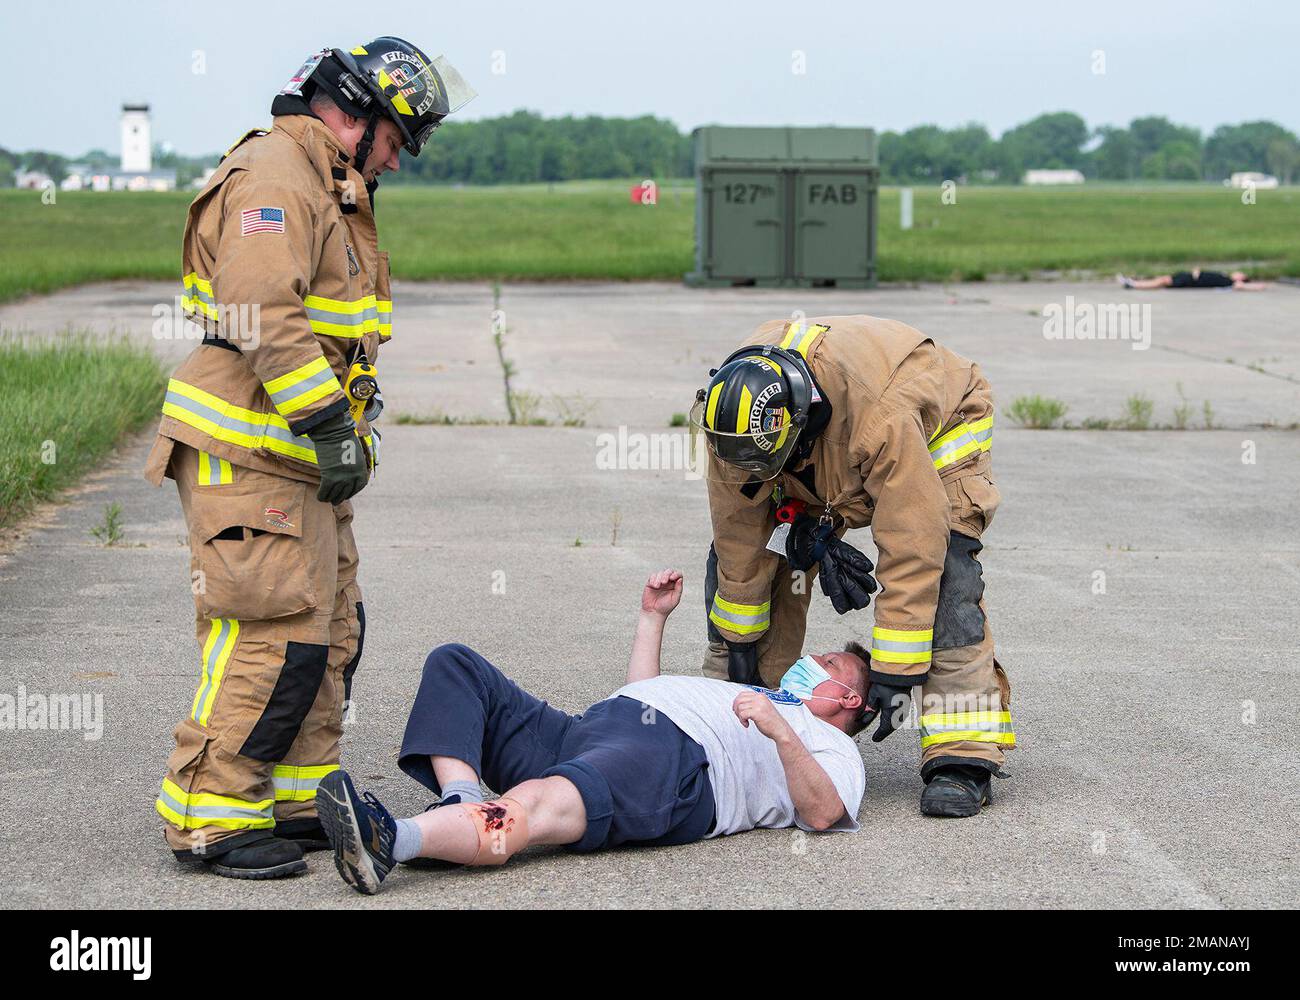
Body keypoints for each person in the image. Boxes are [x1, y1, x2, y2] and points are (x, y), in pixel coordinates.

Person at [143, 38, 475, 879]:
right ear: (354, 112)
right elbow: (259, 307)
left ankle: (291, 796)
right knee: (271, 633)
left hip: (293, 456)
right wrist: (329, 420)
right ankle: (211, 816)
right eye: (400, 136)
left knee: (329, 633)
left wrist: (337, 433)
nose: (401, 157)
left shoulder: (327, 180)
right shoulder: (277, 176)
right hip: (252, 448)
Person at [314, 570, 868, 895]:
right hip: (597, 729)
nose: (809, 662)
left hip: (673, 766)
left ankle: (393, 840)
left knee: (534, 804)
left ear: (848, 697)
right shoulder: (770, 698)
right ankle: (460, 804)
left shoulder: (831, 744)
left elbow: (823, 813)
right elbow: (646, 698)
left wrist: (782, 733)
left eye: (825, 663)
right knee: (455, 665)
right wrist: (653, 619)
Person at [692, 316, 1015, 818]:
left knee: (947, 578)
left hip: (934, 437)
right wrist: (738, 647)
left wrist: (894, 670)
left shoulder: (880, 419)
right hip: (819, 445)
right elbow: (739, 536)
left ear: (801, 423)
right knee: (767, 559)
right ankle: (744, 724)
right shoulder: (731, 422)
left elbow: (913, 546)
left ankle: (962, 754)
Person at [1117, 269, 1267, 290]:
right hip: (1190, 276)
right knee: (1162, 278)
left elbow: (1248, 287)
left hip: (1191, 281)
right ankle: (1134, 281)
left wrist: (1258, 285)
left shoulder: (1233, 283)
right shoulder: (1225, 276)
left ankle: (1133, 284)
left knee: (1162, 281)